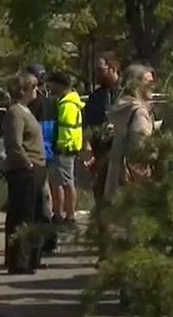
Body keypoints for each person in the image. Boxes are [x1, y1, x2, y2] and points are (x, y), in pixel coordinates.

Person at [3, 71, 47, 274]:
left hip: (36, 169)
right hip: (23, 171)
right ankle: (19, 261)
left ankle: (32, 257)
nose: (37, 90)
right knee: (22, 217)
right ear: (23, 90)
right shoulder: (15, 112)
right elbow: (15, 144)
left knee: (37, 215)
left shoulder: (27, 111)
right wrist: (28, 164)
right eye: (33, 86)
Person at [104, 64, 156, 200]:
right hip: (134, 186)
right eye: (148, 82)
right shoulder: (139, 113)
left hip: (117, 180)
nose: (153, 86)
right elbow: (140, 150)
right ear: (136, 85)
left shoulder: (124, 109)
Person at [25, 64, 58, 253]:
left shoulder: (42, 104)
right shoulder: (46, 103)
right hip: (42, 156)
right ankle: (45, 238)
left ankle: (47, 239)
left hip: (40, 157)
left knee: (43, 201)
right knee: (43, 201)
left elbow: (48, 132)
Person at [83, 54, 122, 205]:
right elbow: (87, 123)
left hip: (120, 149)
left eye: (101, 70)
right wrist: (86, 144)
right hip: (100, 150)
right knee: (99, 188)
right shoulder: (96, 97)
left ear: (112, 69)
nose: (97, 74)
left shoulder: (124, 93)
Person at [47, 71, 84, 224]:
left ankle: (65, 215)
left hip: (64, 148)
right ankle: (65, 214)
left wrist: (61, 145)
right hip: (68, 147)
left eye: (53, 83)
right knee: (63, 182)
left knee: (63, 183)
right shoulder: (69, 101)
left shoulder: (67, 104)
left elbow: (66, 127)